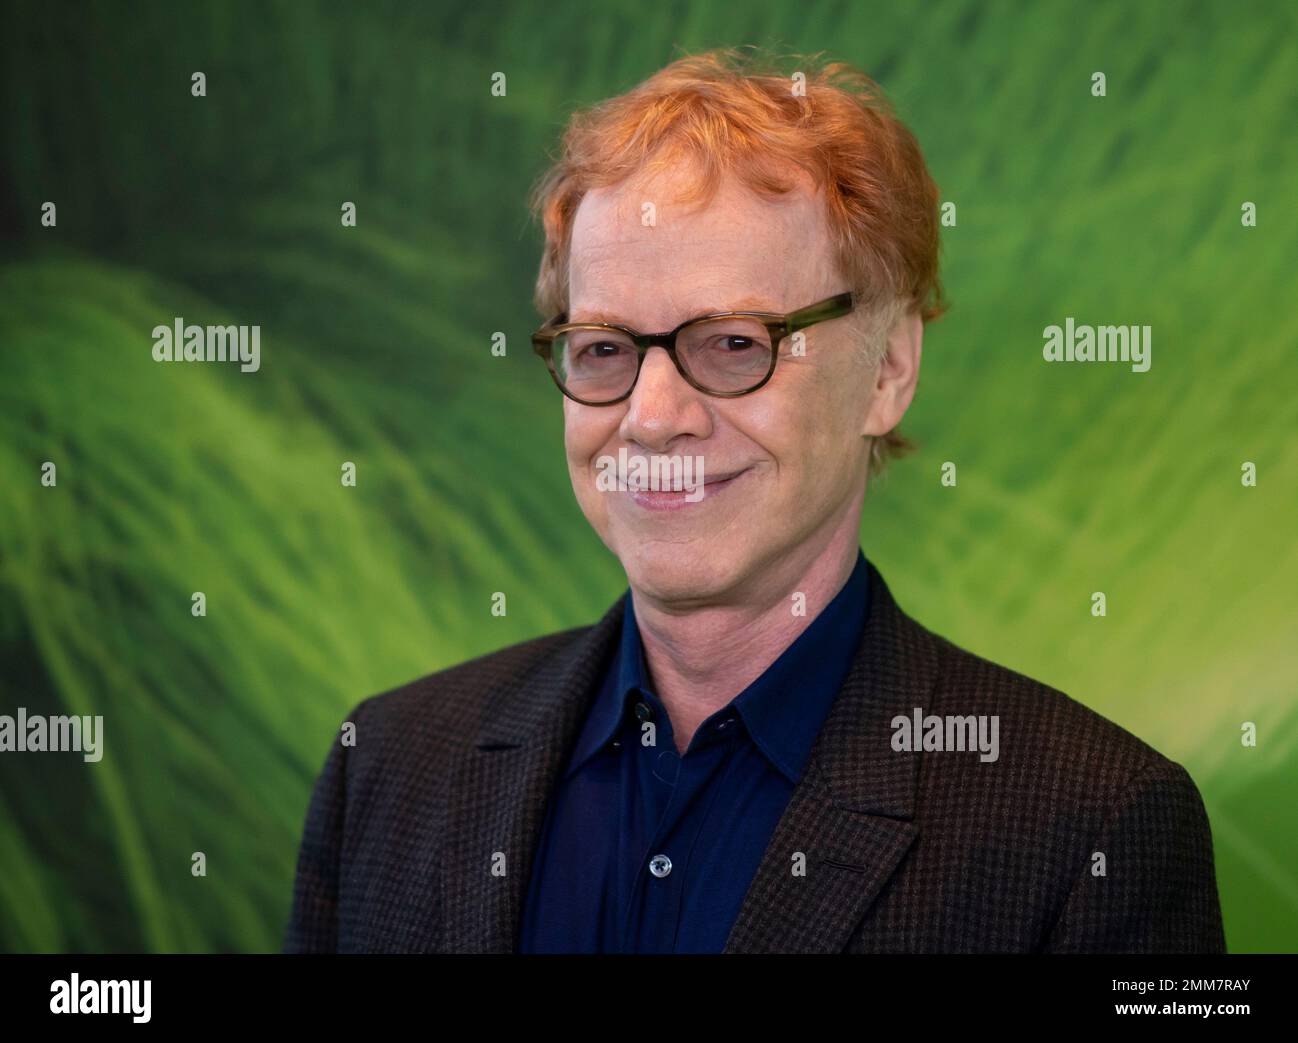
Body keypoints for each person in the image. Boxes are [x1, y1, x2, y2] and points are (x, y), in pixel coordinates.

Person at [285, 48, 1225, 954]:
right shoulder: (390, 768)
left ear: (889, 368)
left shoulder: (1090, 826)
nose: (652, 419)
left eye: (735, 344)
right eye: (605, 349)